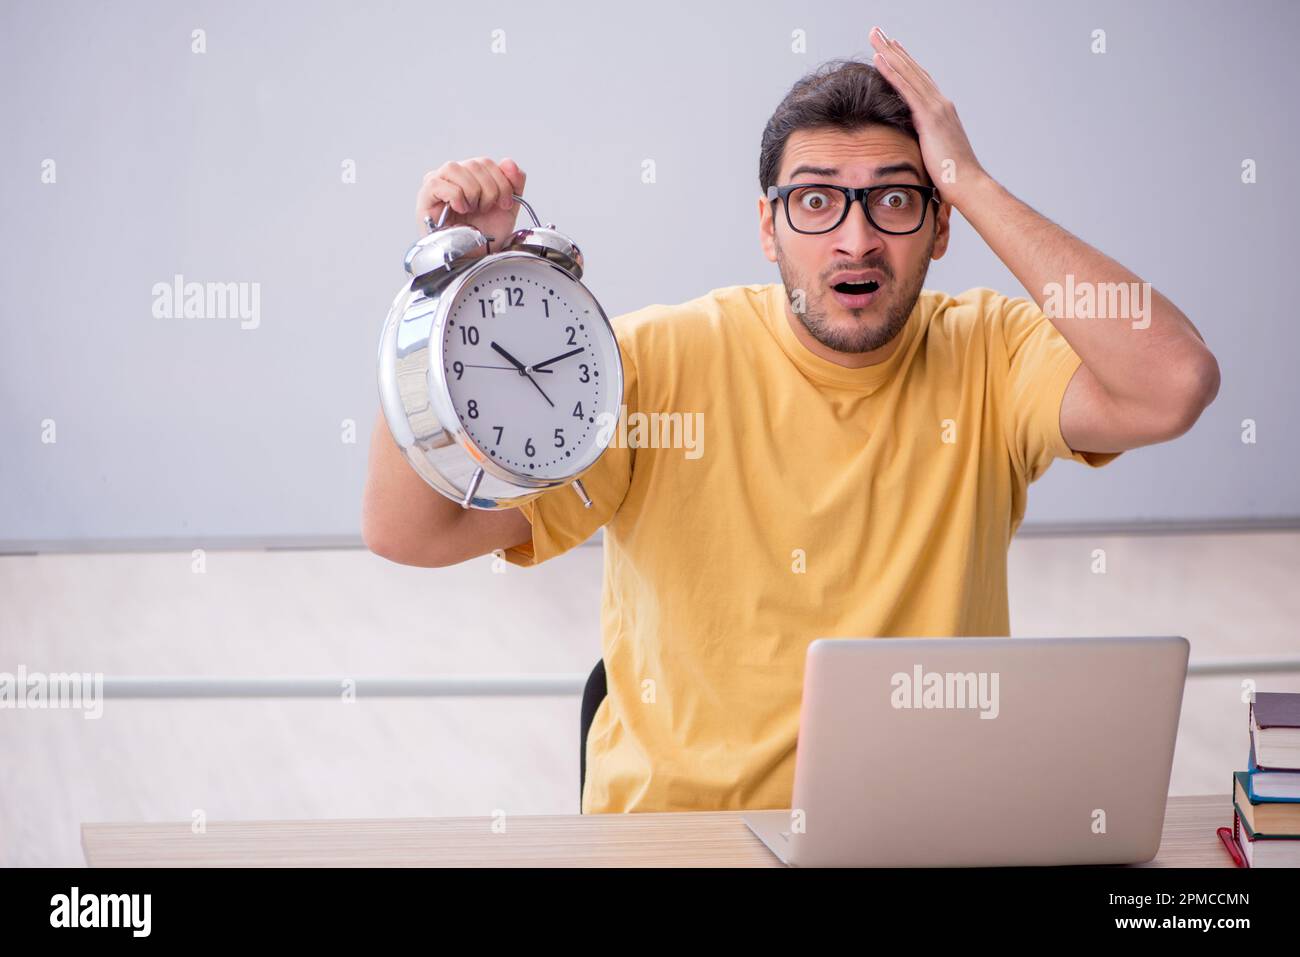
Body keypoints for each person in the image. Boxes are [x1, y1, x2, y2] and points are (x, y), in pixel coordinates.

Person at [362, 26, 1220, 815]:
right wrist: (446, 294)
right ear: (768, 228)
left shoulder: (993, 356)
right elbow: (411, 529)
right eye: (815, 203)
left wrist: (974, 180)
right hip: (678, 845)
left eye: (895, 201)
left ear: (942, 227)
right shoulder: (648, 365)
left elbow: (1174, 382)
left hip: (921, 838)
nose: (855, 240)